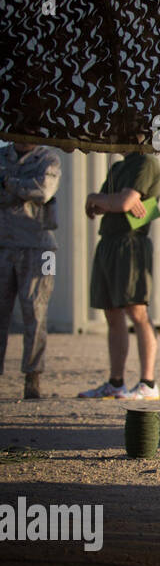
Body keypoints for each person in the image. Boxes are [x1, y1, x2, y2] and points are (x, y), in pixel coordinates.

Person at [78, 150, 160, 401]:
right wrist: (107, 200)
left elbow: (122, 203)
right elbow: (99, 208)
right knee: (111, 311)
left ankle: (148, 382)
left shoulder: (146, 162)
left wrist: (103, 198)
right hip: (109, 242)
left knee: (136, 310)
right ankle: (116, 382)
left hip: (131, 243)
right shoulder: (118, 167)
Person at [0, 142, 61, 399]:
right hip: (3, 243)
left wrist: (8, 184)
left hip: (40, 247)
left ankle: (33, 377)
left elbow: (43, 191)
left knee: (36, 311)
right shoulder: (2, 157)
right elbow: (32, 190)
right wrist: (23, 187)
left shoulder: (49, 159)